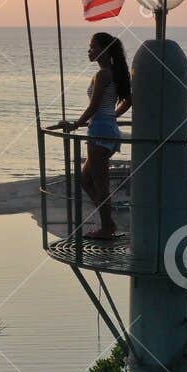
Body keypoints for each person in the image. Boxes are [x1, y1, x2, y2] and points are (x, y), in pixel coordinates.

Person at [65, 33, 132, 239]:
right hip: (107, 130)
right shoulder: (113, 73)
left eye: (93, 47)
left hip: (101, 132)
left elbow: (94, 106)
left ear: (105, 50)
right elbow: (128, 101)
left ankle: (107, 227)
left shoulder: (103, 75)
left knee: (100, 183)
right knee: (85, 179)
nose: (90, 51)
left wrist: (76, 124)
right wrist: (111, 115)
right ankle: (108, 221)